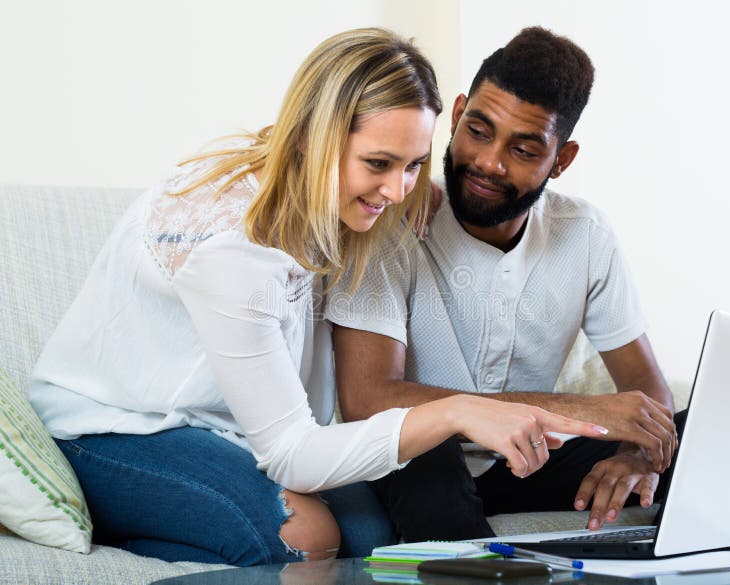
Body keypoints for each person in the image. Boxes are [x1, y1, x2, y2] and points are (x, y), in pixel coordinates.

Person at [28, 27, 608, 566]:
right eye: (379, 164)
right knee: (311, 537)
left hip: (228, 432)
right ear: (314, 136)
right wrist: (460, 409)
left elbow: (401, 192)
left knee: (370, 537)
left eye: (413, 164)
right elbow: (290, 452)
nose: (397, 189)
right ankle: (134, 527)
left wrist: (406, 186)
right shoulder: (231, 247)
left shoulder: (343, 194)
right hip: (120, 430)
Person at [327, 25, 681, 543]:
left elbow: (648, 392)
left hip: (530, 459)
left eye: (523, 149)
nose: (489, 162)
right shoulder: (389, 217)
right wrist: (572, 408)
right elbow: (366, 397)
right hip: (416, 457)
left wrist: (636, 454)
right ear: (457, 113)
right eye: (479, 130)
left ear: (562, 160)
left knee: (704, 438)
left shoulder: (584, 234)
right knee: (431, 463)